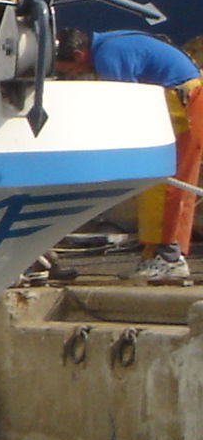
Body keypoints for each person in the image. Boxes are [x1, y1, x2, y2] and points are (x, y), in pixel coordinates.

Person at [53, 27, 203, 282]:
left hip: (180, 107)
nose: (74, 75)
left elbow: (122, 107)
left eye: (70, 70)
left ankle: (167, 258)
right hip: (188, 100)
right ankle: (158, 255)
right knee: (174, 187)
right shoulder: (112, 43)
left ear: (78, 55)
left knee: (162, 186)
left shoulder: (107, 57)